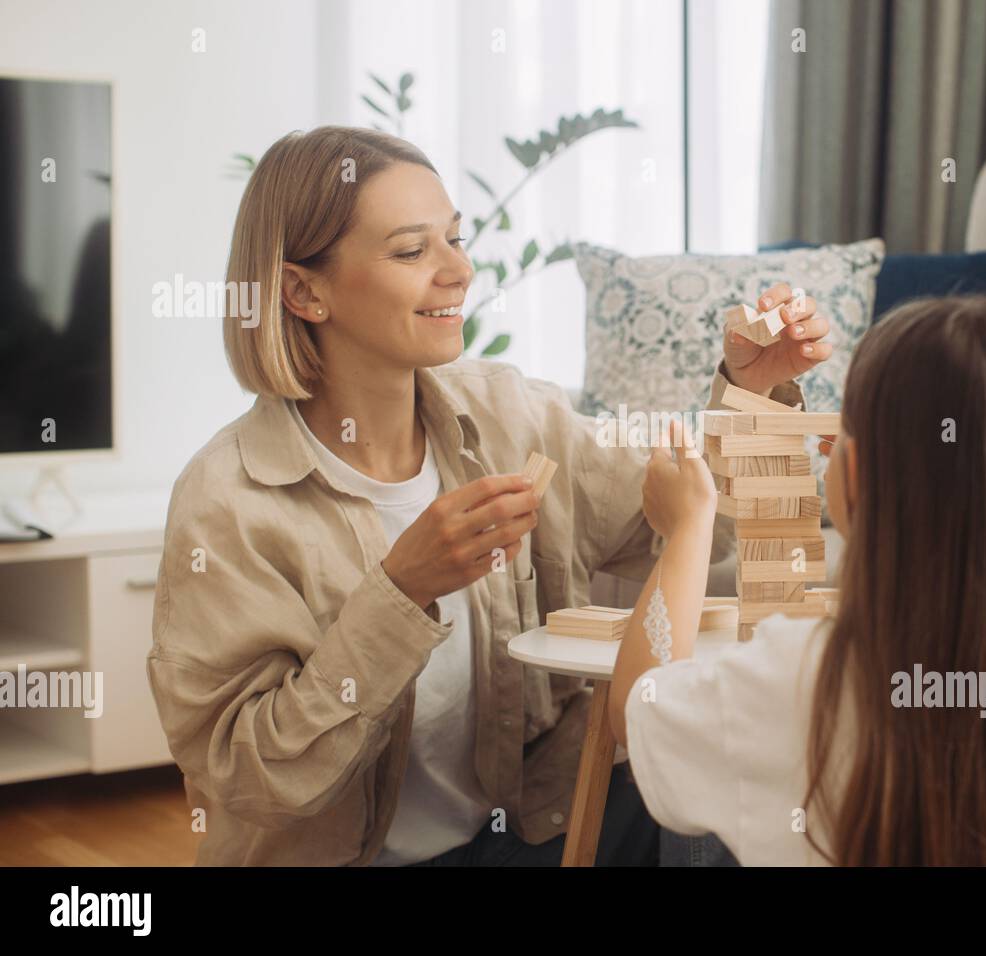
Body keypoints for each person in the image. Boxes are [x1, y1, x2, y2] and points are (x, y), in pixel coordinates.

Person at [145, 126, 833, 865]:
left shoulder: (510, 412)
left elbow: (694, 521)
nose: (460, 270)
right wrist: (401, 592)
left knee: (719, 804)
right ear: (304, 292)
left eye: (455, 239)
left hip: (522, 832)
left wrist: (752, 391)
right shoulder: (229, 501)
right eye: (411, 251)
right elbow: (254, 779)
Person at [611, 294, 986, 866]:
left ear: (853, 474)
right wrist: (756, 394)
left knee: (700, 794)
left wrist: (688, 528)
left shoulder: (805, 673)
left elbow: (637, 707)